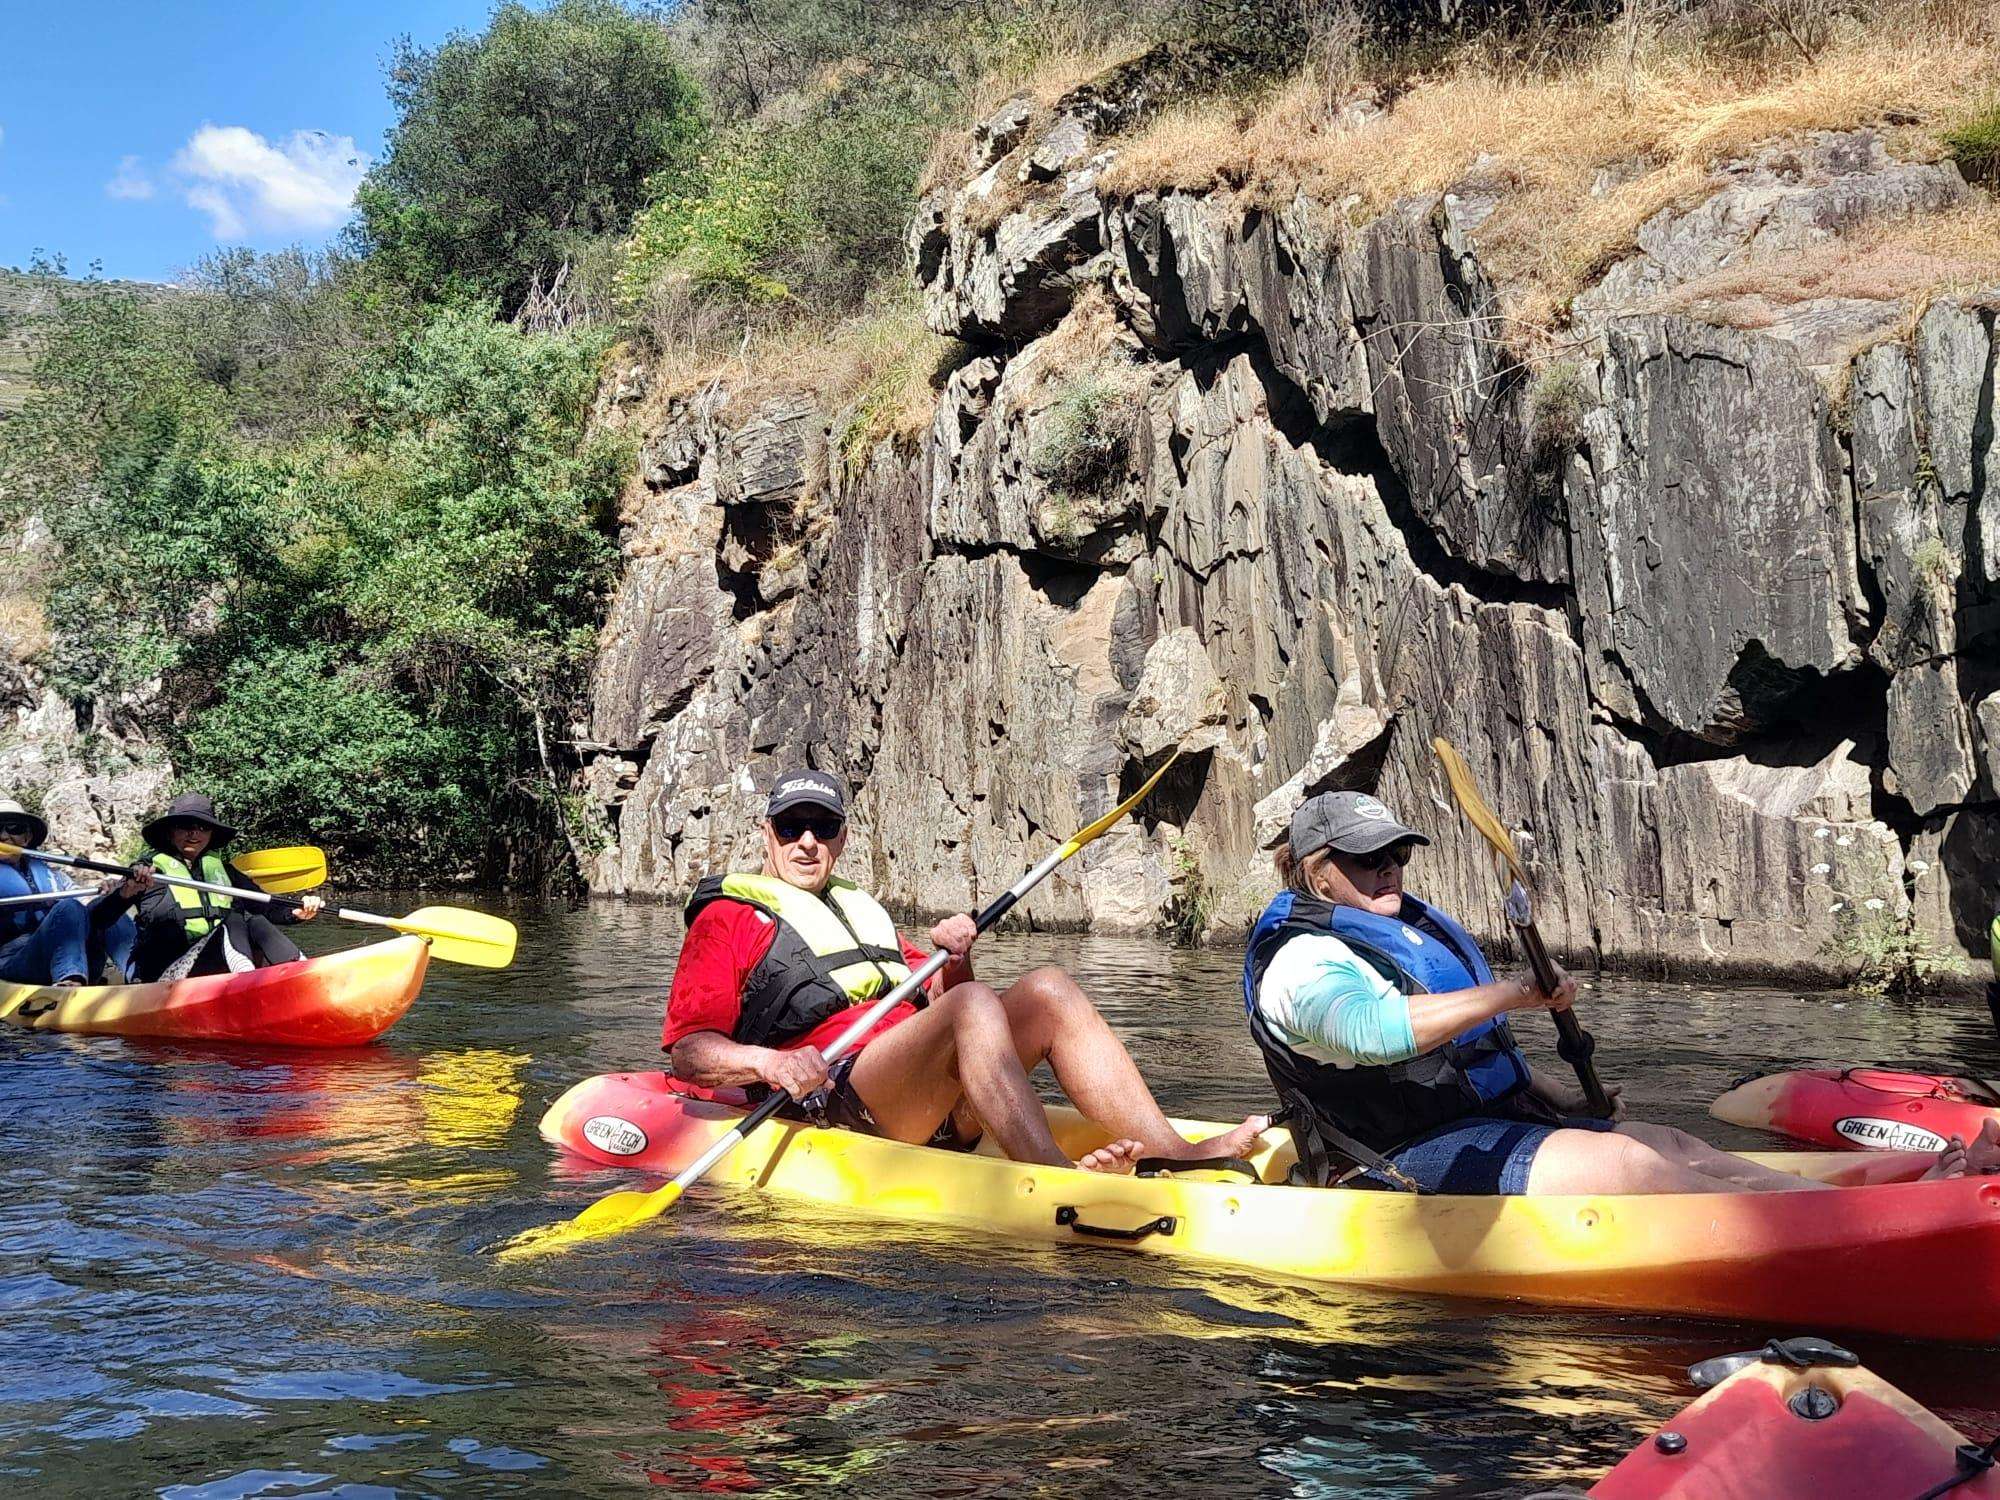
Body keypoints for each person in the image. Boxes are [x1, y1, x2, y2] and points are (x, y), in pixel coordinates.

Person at [1246, 789, 1999, 1195]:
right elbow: (1374, 1033)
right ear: (1317, 870)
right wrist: (1514, 993)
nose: (1389, 867)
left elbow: (1470, 1061)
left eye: (1397, 853)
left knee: (1669, 1143)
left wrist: (1564, 1100)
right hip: (1387, 1160)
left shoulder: (1399, 930)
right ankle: (1870, 1222)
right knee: (1634, 1172)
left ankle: (1871, 1202)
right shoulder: (1300, 962)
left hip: (1464, 1128)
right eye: (1367, 857)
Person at [665, 768, 1268, 1173]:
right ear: (767, 833)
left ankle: (1173, 1154)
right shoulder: (726, 919)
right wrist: (769, 1064)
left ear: (842, 838)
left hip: (924, 1096)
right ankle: (1054, 1177)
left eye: (822, 828)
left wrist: (957, 960)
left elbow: (942, 1005)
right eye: (790, 827)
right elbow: (689, 1053)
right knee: (975, 1003)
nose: (806, 842)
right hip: (838, 1098)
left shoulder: (858, 910)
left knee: (1049, 988)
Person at [129, 793, 321, 982]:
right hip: (167, 977)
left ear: (211, 833)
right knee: (233, 919)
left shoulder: (226, 873)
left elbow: (265, 906)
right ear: (169, 831)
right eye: (186, 825)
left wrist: (295, 912)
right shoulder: (148, 873)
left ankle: (305, 975)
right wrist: (125, 891)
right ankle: (246, 981)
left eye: (203, 827)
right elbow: (111, 912)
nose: (194, 833)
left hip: (213, 968)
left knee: (257, 922)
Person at [0, 796, 152, 987]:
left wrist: (118, 895)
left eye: (14, 828)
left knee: (111, 914)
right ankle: (69, 981)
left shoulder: (51, 873)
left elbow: (88, 906)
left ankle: (142, 976)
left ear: (27, 837)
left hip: (77, 957)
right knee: (68, 907)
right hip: (15, 965)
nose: (3, 836)